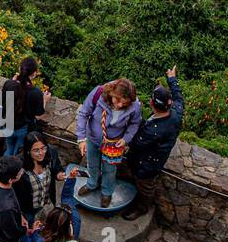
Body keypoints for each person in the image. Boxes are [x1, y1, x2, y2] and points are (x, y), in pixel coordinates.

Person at [123, 66, 184, 223]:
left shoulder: (152, 131)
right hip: (156, 156)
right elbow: (179, 97)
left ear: (151, 103)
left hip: (147, 165)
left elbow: (135, 143)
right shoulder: (175, 112)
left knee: (145, 187)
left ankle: (142, 209)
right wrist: (172, 79)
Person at [74, 78, 142, 208]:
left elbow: (135, 124)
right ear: (112, 93)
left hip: (114, 144)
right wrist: (81, 138)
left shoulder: (135, 106)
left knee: (110, 169)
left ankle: (107, 192)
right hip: (93, 139)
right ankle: (92, 183)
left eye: (124, 103)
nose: (119, 105)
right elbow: (83, 114)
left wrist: (125, 139)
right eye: (117, 100)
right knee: (92, 163)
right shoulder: (98, 94)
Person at [0, 57, 48, 157]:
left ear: (20, 69)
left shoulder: (9, 84)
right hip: (22, 128)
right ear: (34, 73)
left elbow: (0, 101)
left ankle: (4, 167)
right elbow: (39, 115)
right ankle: (13, 168)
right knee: (18, 153)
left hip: (7, 124)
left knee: (8, 148)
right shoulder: (36, 92)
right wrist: (44, 100)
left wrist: (11, 83)